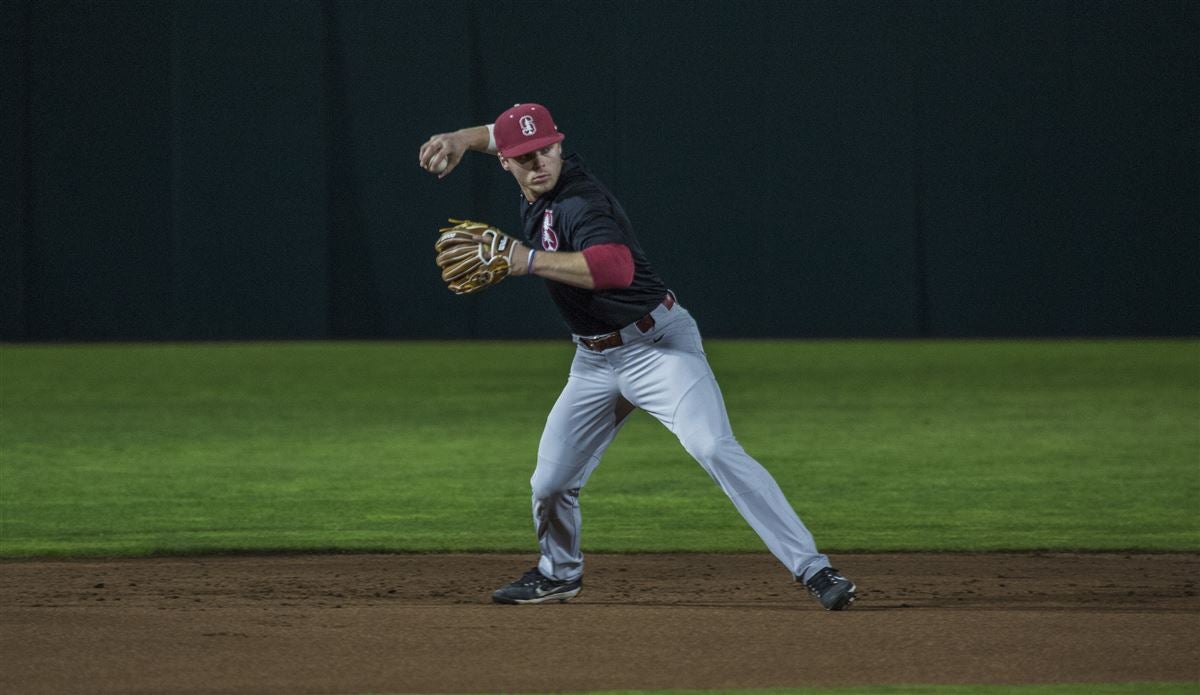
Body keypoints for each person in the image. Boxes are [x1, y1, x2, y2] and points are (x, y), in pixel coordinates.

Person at [418, 103, 856, 610]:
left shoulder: (581, 201)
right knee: (550, 483)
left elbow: (616, 268)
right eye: (525, 156)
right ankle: (558, 574)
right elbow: (500, 134)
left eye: (547, 150)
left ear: (561, 146)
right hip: (593, 362)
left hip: (658, 349)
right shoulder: (523, 163)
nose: (540, 163)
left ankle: (814, 569)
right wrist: (459, 138)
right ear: (506, 163)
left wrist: (527, 260)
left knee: (712, 447)